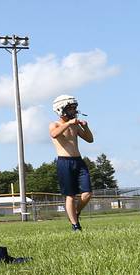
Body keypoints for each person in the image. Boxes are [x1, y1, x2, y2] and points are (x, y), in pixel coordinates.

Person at [49, 94, 94, 231]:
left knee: (87, 193)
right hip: (64, 162)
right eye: (70, 109)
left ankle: (75, 212)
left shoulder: (75, 126)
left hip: (78, 161)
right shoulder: (55, 124)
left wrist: (85, 127)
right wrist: (68, 123)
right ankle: (75, 225)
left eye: (74, 108)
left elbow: (90, 139)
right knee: (70, 195)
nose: (74, 111)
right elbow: (54, 134)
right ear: (61, 109)